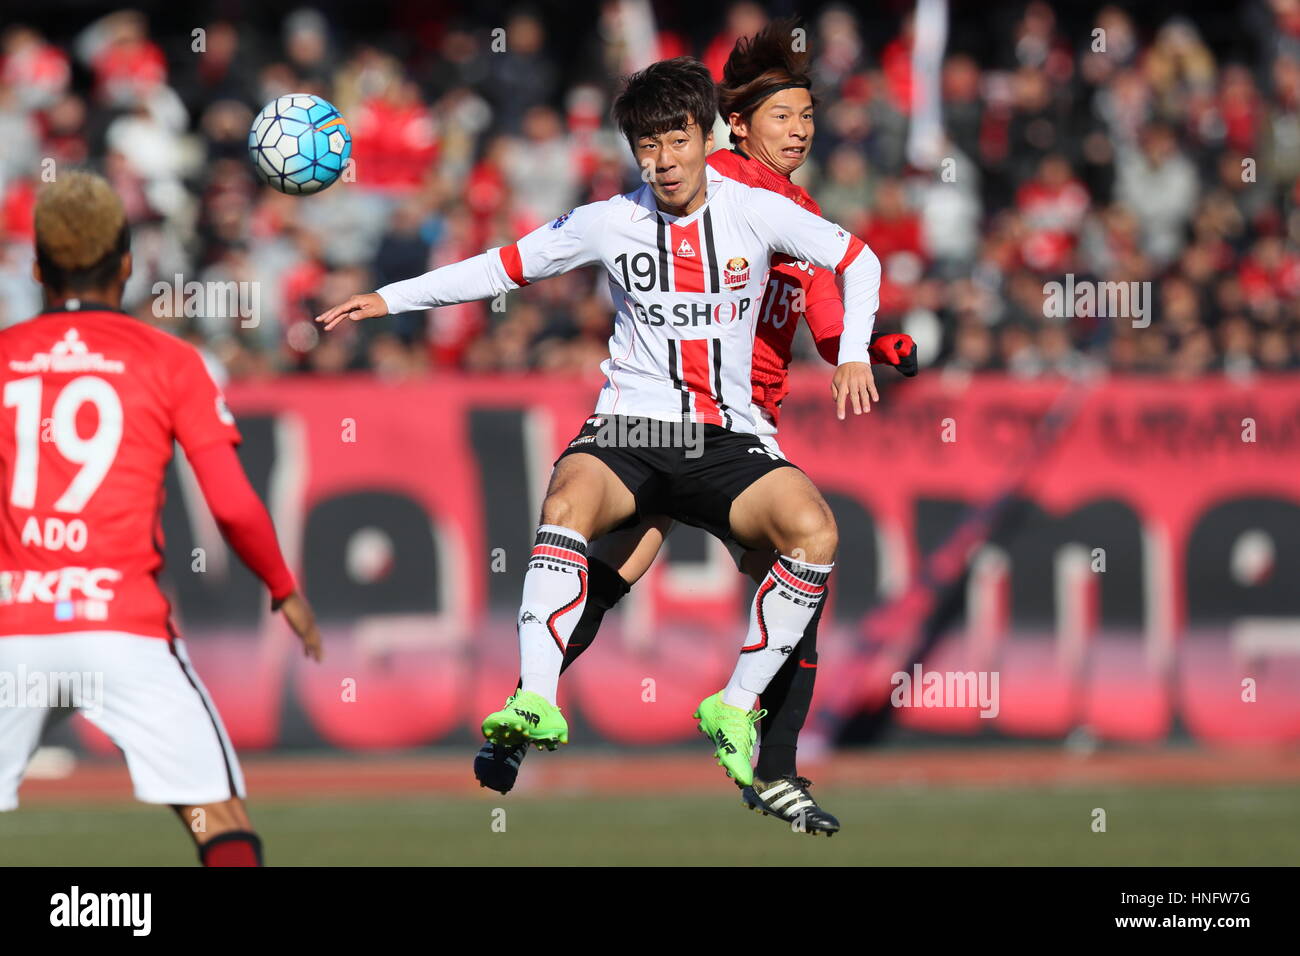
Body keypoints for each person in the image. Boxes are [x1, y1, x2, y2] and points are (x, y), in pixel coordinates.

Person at [317, 56, 882, 791]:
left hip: (725, 437)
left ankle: (737, 707)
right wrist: (387, 300)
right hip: (633, 430)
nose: (662, 161)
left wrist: (855, 354)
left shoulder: (760, 213)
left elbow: (859, 261)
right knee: (567, 505)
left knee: (815, 534)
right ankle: (536, 700)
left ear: (704, 138)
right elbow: (499, 267)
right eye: (646, 147)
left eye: (675, 141)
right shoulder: (610, 222)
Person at [471, 21, 917, 836]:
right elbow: (633, 197)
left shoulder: (794, 210)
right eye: (784, 116)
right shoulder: (706, 180)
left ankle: (760, 758)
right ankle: (536, 711)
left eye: (808, 116)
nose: (802, 131)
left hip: (741, 426)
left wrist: (863, 344)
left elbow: (829, 293)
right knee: (617, 572)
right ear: (736, 127)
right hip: (674, 415)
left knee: (770, 572)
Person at [0, 172, 322, 866]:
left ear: (36, 268)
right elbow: (232, 502)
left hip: (10, 628)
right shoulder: (172, 361)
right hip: (123, 630)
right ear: (127, 263)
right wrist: (283, 589)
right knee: (218, 816)